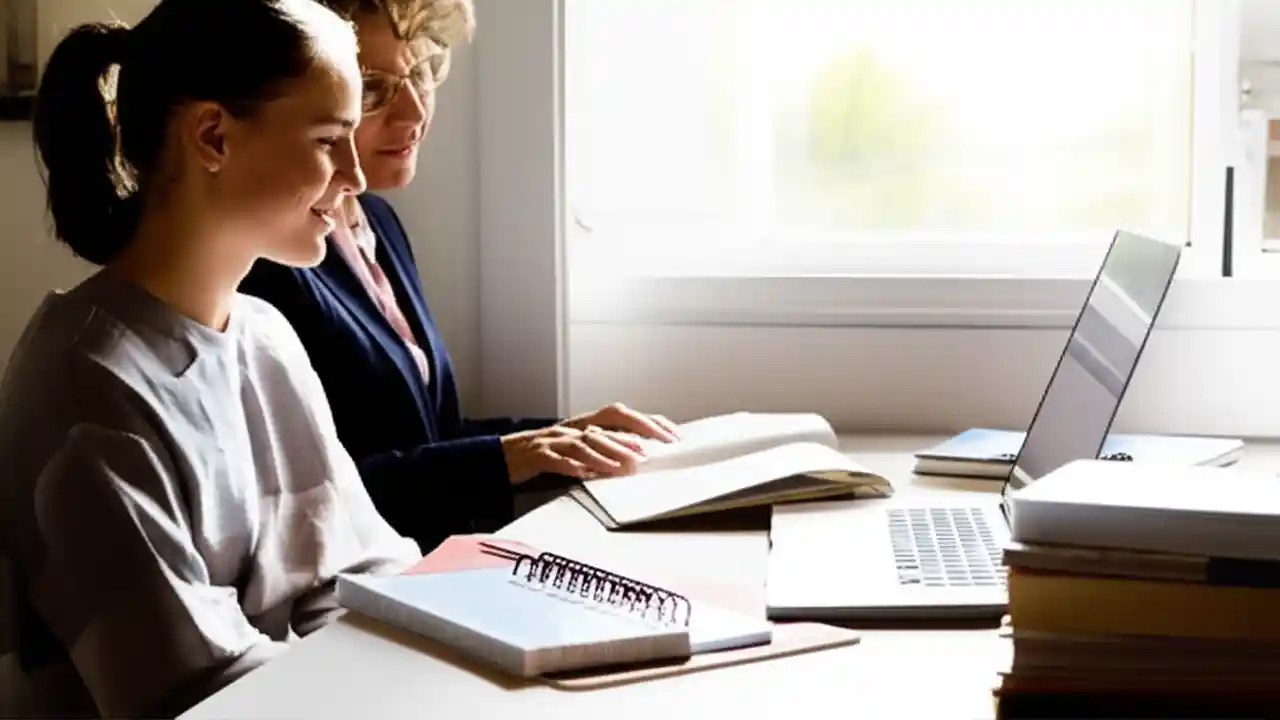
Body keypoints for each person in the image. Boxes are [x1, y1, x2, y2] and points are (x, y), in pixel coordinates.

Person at [0, 1, 424, 716]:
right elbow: (189, 687)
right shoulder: (87, 388)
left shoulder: (263, 337)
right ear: (213, 136)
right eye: (329, 139)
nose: (353, 175)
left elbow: (359, 574)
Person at [239, 0, 680, 554]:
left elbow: (427, 433)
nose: (415, 112)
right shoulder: (267, 264)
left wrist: (563, 437)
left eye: (421, 74)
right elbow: (311, 501)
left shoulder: (376, 221)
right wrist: (503, 460)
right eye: (374, 88)